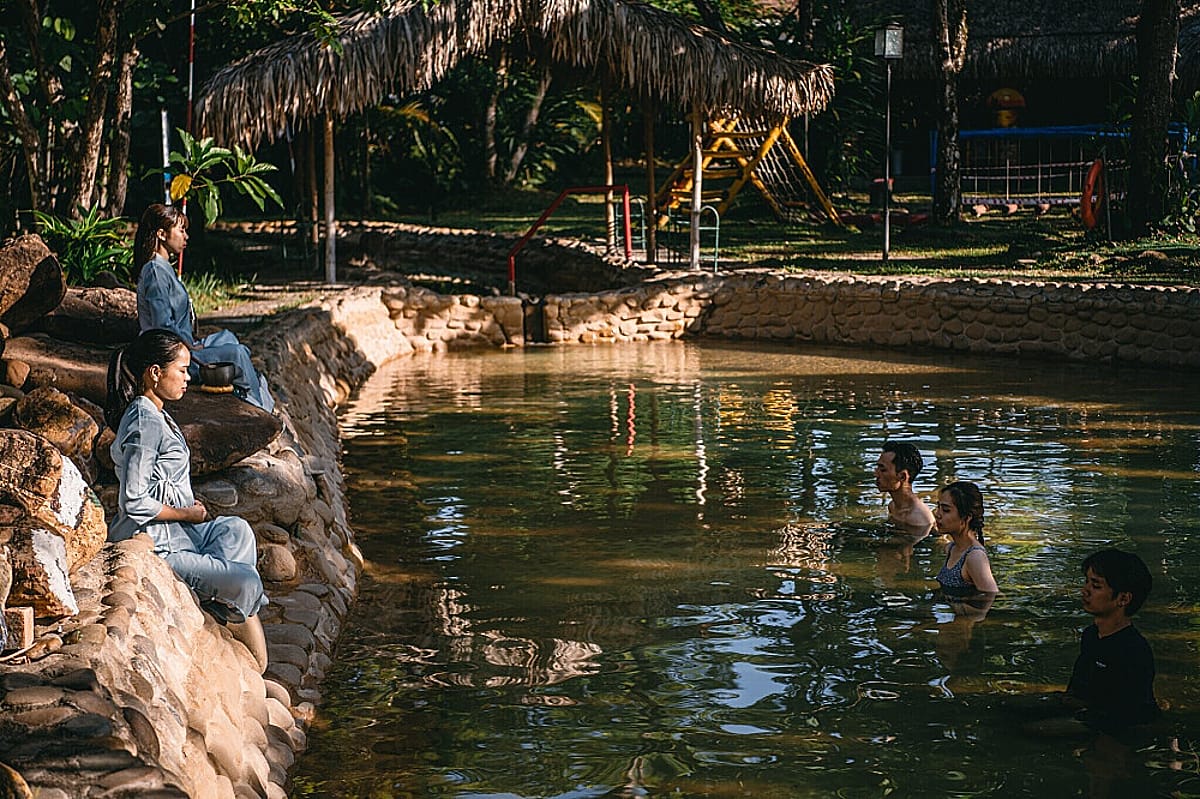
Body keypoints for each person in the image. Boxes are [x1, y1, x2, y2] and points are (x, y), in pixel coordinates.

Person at [106, 328, 268, 670]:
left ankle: (216, 604)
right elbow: (133, 501)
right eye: (181, 369)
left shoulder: (155, 412)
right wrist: (186, 514)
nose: (188, 377)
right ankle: (231, 614)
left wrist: (190, 518)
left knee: (236, 530)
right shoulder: (143, 423)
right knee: (248, 581)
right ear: (154, 373)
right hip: (161, 547)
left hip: (183, 535)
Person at [133, 203, 275, 412]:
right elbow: (161, 328)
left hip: (185, 345)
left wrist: (193, 344)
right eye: (181, 230)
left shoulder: (163, 268)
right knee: (237, 354)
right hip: (170, 356)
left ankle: (254, 395)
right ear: (162, 234)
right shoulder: (155, 271)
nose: (186, 236)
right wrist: (189, 348)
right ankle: (261, 408)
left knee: (227, 337)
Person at [933, 481, 998, 596]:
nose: (937, 514)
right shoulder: (952, 548)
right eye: (938, 507)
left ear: (966, 517)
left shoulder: (975, 557)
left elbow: (991, 597)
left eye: (946, 510)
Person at [874, 441, 935, 530]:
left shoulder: (919, 519)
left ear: (902, 476)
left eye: (883, 470)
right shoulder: (893, 506)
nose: (876, 474)